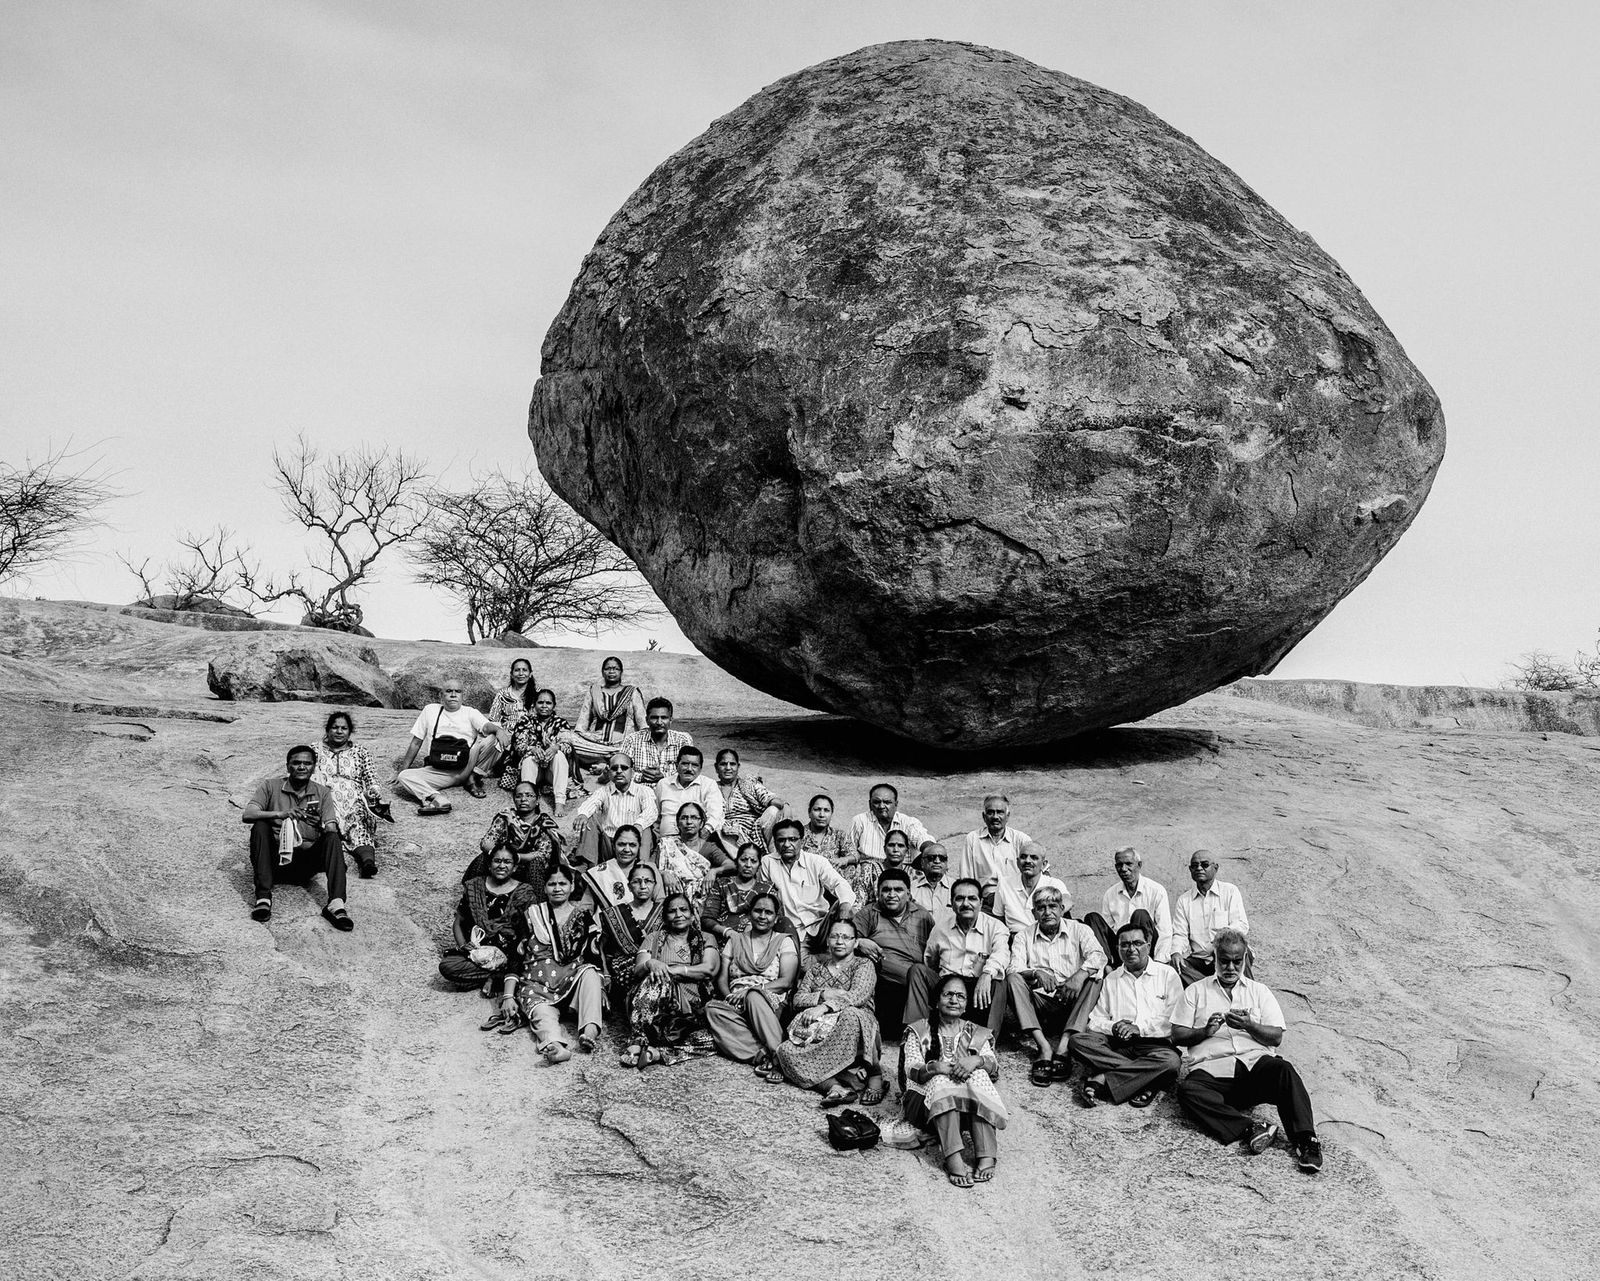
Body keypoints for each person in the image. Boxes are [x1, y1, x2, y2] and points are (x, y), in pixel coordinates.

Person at [1172, 929, 1323, 1170]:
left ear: (1244, 959)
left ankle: (1306, 1141)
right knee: (1189, 1091)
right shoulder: (1196, 991)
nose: (1230, 967)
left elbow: (1276, 1037)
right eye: (1224, 961)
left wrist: (1250, 1025)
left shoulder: (1259, 991)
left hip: (1254, 1068)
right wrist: (1204, 1031)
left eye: (1236, 961)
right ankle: (1249, 1128)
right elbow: (1177, 1034)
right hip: (1213, 1073)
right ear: (1214, 959)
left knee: (1284, 1070)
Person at [900, 972, 1008, 1188]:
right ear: (936, 1000)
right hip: (925, 1110)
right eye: (948, 994)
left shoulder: (975, 1032)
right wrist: (935, 1067)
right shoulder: (919, 1030)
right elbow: (910, 1069)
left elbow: (993, 1066)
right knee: (941, 1080)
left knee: (978, 1075)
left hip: (966, 1112)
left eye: (960, 996)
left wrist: (976, 1060)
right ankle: (953, 1158)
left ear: (966, 1004)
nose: (954, 1000)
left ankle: (986, 1153)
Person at [1066, 921, 1182, 1108]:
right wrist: (1113, 1026)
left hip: (1155, 1046)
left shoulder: (1167, 975)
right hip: (1118, 1045)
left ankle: (1103, 1077)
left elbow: (1175, 1019)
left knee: (1171, 1062)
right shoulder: (1112, 978)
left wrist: (1138, 1028)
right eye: (1125, 945)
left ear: (1148, 946)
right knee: (1077, 1042)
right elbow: (1095, 1020)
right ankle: (1147, 1078)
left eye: (1137, 943)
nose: (1131, 949)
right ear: (1118, 948)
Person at [776, 919, 885, 1107]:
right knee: (784, 1052)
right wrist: (822, 995)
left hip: (855, 1028)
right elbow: (798, 999)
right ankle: (836, 1087)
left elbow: (857, 996)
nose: (839, 942)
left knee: (851, 1013)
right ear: (827, 941)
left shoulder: (863, 965)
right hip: (818, 1033)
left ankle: (874, 1073)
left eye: (846, 937)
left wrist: (824, 1007)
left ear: (856, 942)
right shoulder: (816, 969)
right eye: (834, 936)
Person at [241, 745, 350, 930]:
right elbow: (248, 814)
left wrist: (321, 825)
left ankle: (336, 904)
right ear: (288, 766)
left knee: (332, 837)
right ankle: (263, 898)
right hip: (275, 863)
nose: (301, 767)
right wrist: (280, 814)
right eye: (296, 763)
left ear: (314, 767)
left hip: (305, 864)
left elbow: (331, 826)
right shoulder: (270, 786)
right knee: (260, 826)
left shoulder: (322, 792)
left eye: (307, 763)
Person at [1007, 885, 1106, 1085]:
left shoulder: (1079, 929)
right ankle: (1043, 1046)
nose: (1047, 912)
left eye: (1052, 906)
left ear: (1062, 908)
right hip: (1042, 1004)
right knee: (1013, 979)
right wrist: (1036, 972)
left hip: (1074, 1001)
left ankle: (1064, 1045)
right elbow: (1013, 968)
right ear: (1034, 912)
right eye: (1041, 907)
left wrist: (1079, 975)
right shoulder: (1023, 936)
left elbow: (1099, 955)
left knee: (1096, 978)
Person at [510, 866, 603, 1064]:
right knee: (542, 1013)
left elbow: (593, 954)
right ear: (544, 888)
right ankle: (556, 1046)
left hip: (571, 981)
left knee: (590, 972)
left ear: (571, 887)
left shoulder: (582, 916)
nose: (557, 888)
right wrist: (509, 995)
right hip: (538, 985)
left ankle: (589, 1031)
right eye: (552, 884)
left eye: (563, 883)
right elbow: (516, 955)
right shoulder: (533, 914)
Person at [704, 890, 799, 1074]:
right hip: (736, 1001)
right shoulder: (736, 940)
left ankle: (779, 1056)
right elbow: (722, 979)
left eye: (768, 912)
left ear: (776, 916)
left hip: (770, 1001)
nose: (762, 916)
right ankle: (763, 1055)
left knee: (754, 996)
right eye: (758, 911)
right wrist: (730, 996)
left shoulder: (783, 941)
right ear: (749, 914)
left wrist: (751, 991)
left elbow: (786, 981)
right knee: (712, 1009)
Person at [623, 892, 721, 1067]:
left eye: (683, 910)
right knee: (657, 978)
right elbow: (638, 969)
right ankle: (638, 1041)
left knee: (717, 1039)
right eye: (672, 911)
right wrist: (650, 964)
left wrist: (675, 969)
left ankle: (657, 1053)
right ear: (665, 917)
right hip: (657, 1008)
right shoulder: (654, 938)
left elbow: (709, 969)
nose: (678, 915)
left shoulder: (706, 938)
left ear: (692, 914)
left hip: (690, 1011)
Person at [440, 847, 536, 1023]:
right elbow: (458, 922)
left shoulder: (524, 892)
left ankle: (498, 977)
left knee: (526, 965)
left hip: (510, 954)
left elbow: (529, 930)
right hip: (478, 953)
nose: (501, 865)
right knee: (447, 967)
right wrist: (463, 947)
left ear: (515, 867)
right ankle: (497, 979)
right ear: (489, 865)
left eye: (507, 862)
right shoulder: (475, 887)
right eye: (497, 861)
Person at [904, 878, 1009, 1036]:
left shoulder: (996, 927)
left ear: (981, 902)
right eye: (960, 898)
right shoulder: (940, 929)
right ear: (952, 903)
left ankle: (985, 1042)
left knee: (999, 983)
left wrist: (987, 974)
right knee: (917, 970)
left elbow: (1002, 954)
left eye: (972, 898)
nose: (966, 904)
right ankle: (918, 1036)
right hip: (946, 985)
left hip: (978, 991)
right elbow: (930, 961)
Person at [393, 678, 503, 813]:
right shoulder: (430, 710)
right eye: (449, 691)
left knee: (496, 735)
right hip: (438, 770)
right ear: (441, 695)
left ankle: (473, 777)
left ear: (463, 696)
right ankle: (438, 799)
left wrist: (499, 730)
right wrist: (402, 770)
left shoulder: (470, 712)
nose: (453, 694)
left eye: (458, 691)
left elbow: (486, 727)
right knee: (405, 776)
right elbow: (416, 742)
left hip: (465, 767)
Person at [851, 866, 934, 1041]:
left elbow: (934, 949)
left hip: (918, 984)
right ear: (879, 893)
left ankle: (917, 1035)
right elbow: (844, 939)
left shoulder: (922, 914)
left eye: (898, 889)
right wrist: (859, 942)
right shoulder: (869, 913)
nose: (891, 894)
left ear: (908, 893)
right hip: (886, 986)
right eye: (886, 890)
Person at [759, 817, 857, 951]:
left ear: (802, 841)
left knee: (845, 905)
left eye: (793, 839)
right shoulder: (767, 862)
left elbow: (838, 883)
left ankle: (853, 945)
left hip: (821, 925)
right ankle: (824, 958)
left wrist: (845, 906)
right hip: (793, 930)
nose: (787, 844)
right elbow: (766, 897)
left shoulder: (816, 861)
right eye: (781, 840)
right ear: (775, 843)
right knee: (803, 966)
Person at [311, 710, 385, 879]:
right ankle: (333, 858)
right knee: (328, 824)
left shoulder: (360, 752)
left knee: (360, 818)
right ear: (327, 730)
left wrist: (373, 791)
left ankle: (367, 862)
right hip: (325, 796)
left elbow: (371, 777)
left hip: (355, 798)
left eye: (343, 728)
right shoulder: (315, 750)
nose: (339, 731)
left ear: (350, 731)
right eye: (335, 727)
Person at [461, 781, 565, 891]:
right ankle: (473, 896)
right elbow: (487, 842)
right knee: (484, 857)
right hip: (503, 865)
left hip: (529, 870)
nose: (523, 799)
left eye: (529, 795)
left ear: (538, 799)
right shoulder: (505, 817)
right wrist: (501, 855)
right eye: (519, 796)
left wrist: (516, 857)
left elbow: (542, 854)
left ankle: (536, 904)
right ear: (514, 799)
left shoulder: (544, 823)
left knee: (535, 865)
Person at [955, 794, 1039, 926]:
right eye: (990, 812)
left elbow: (1039, 870)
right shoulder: (973, 839)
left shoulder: (1021, 839)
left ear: (1008, 815)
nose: (995, 817)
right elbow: (966, 877)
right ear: (984, 816)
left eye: (1000, 812)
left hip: (1015, 899)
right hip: (987, 902)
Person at [1172, 850, 1253, 986]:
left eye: (1204, 865)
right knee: (1175, 967)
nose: (1199, 868)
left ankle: (1248, 996)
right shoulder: (1184, 900)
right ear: (1190, 870)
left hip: (1225, 955)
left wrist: (1222, 939)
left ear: (1216, 868)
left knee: (1242, 950)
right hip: (1199, 960)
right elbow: (1180, 933)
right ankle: (1210, 990)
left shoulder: (1229, 891)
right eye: (1194, 865)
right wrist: (1176, 952)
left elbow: (1241, 925)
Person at [1083, 847, 1175, 967]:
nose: (1124, 869)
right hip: (1121, 948)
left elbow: (1165, 930)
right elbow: (1108, 930)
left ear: (1139, 865)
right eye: (1119, 865)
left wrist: (1160, 962)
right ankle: (1107, 966)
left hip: (1145, 948)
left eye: (1128, 864)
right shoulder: (1110, 894)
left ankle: (1142, 963)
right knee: (1092, 918)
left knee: (1140, 914)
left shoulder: (1156, 890)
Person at [589, 861, 663, 998]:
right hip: (624, 976)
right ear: (629, 886)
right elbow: (603, 948)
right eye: (636, 882)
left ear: (655, 885)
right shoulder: (614, 914)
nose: (643, 886)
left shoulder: (664, 912)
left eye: (648, 881)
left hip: (657, 971)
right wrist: (605, 975)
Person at [570, 752, 658, 865]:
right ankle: (590, 867)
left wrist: (638, 826)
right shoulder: (604, 791)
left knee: (646, 826)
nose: (619, 771)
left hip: (633, 845)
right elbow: (592, 802)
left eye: (624, 768)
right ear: (609, 773)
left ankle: (642, 866)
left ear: (632, 772)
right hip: (609, 844)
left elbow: (651, 811)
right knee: (589, 818)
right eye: (614, 768)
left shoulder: (644, 791)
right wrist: (583, 815)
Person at [500, 688, 575, 813]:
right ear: (534, 705)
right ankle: (529, 801)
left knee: (559, 756)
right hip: (535, 773)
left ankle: (560, 802)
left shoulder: (561, 723)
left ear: (554, 705)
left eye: (548, 703)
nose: (544, 706)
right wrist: (532, 749)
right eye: (540, 702)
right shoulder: (525, 721)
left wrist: (556, 747)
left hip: (552, 773)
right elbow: (518, 746)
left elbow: (567, 745)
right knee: (529, 759)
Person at [702, 841, 784, 942]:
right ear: (736, 862)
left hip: (759, 941)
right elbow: (707, 919)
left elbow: (776, 919)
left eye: (753, 861)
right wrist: (727, 932)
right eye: (744, 860)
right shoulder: (722, 884)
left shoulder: (767, 889)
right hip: (726, 940)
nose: (748, 865)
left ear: (759, 866)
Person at [801, 793, 873, 901]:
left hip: (831, 881)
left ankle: (848, 904)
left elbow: (855, 855)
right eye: (817, 810)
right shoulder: (799, 834)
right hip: (807, 878)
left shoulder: (838, 835)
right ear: (809, 813)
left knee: (852, 868)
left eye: (826, 810)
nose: (822, 815)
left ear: (831, 814)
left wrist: (843, 860)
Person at [654, 801, 725, 907]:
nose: (689, 822)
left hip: (700, 902)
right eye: (684, 818)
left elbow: (732, 865)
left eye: (694, 817)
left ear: (701, 823)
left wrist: (713, 871)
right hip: (670, 901)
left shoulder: (709, 847)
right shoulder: (667, 844)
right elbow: (650, 868)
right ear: (677, 823)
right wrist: (664, 873)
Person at [713, 749, 785, 851]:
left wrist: (781, 805)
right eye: (723, 764)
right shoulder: (711, 788)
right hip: (725, 834)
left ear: (738, 767)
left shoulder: (748, 784)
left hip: (754, 832)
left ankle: (772, 857)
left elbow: (772, 799)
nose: (728, 768)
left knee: (773, 811)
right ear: (716, 768)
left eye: (732, 764)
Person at [846, 783, 934, 864]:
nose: (881, 806)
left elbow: (926, 843)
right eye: (876, 802)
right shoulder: (859, 821)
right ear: (870, 804)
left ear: (896, 804)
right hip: (869, 872)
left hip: (903, 873)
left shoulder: (909, 823)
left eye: (887, 802)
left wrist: (918, 864)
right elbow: (848, 851)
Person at [482, 658, 538, 784]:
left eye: (525, 670)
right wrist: (499, 732)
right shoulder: (503, 695)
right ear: (512, 674)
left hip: (531, 734)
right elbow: (493, 720)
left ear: (530, 674)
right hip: (507, 736)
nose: (521, 673)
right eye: (517, 670)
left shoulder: (538, 694)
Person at [655, 746, 725, 841]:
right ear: (676, 765)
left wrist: (705, 831)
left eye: (695, 765)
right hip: (666, 842)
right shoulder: (663, 784)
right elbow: (656, 817)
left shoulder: (708, 785)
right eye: (685, 764)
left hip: (697, 842)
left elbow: (716, 814)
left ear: (700, 768)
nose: (689, 769)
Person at [575, 656, 645, 749]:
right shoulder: (594, 691)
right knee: (565, 737)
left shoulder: (631, 692)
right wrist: (577, 739)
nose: (611, 671)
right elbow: (583, 720)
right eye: (607, 669)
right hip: (595, 745)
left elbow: (642, 721)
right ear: (602, 672)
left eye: (616, 668)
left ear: (621, 672)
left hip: (624, 744)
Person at [620, 697, 692, 787]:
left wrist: (664, 777)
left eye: (664, 718)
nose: (659, 722)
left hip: (674, 793)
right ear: (647, 720)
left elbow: (690, 771)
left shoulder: (682, 740)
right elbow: (620, 771)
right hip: (640, 794)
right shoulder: (632, 740)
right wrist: (641, 777)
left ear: (671, 720)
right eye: (654, 718)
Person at [582, 823, 648, 909]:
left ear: (639, 847)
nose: (627, 850)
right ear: (613, 845)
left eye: (632, 845)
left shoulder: (648, 871)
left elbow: (659, 905)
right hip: (605, 922)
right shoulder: (600, 874)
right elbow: (585, 908)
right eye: (621, 844)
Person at [910, 843, 957, 933]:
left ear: (946, 863)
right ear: (922, 863)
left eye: (942, 858)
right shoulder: (911, 888)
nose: (937, 861)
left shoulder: (955, 888)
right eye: (931, 858)